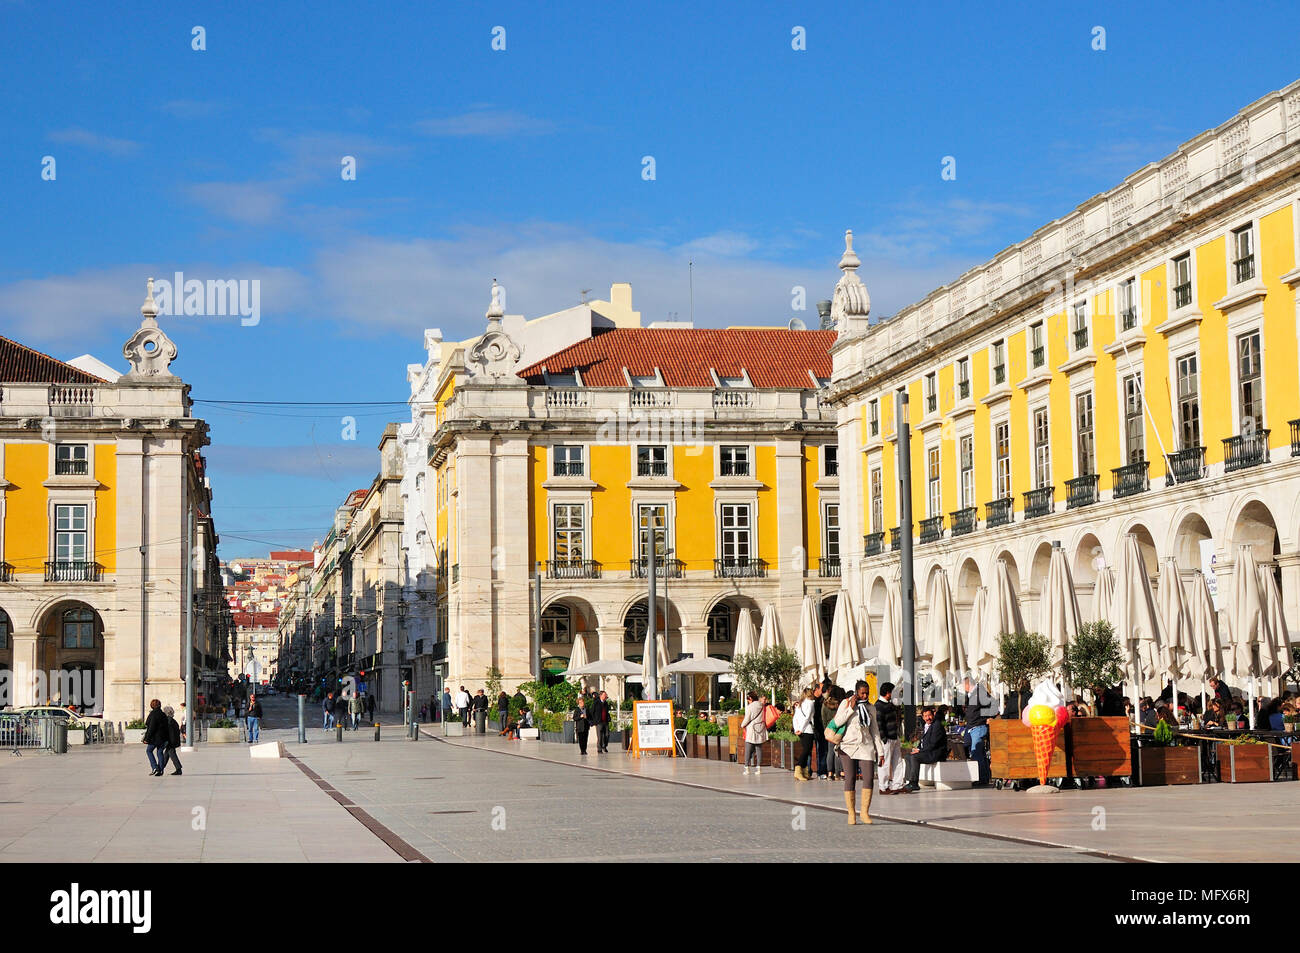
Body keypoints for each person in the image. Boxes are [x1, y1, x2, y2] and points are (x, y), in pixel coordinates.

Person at [833, 680, 884, 824]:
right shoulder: (846, 703)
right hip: (847, 746)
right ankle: (851, 813)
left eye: (867, 693)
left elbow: (875, 731)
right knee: (850, 778)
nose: (865, 695)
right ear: (856, 692)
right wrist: (850, 708)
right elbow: (837, 722)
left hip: (866, 746)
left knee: (868, 778)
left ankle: (864, 812)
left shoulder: (871, 708)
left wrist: (880, 752)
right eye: (862, 693)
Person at [904, 706, 949, 792]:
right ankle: (909, 780)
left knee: (914, 757)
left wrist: (920, 751)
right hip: (928, 752)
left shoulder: (937, 725)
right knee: (908, 756)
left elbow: (933, 744)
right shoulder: (926, 725)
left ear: (933, 715)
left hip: (936, 753)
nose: (928, 718)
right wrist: (917, 748)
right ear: (923, 717)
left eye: (929, 715)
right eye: (925, 716)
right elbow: (924, 742)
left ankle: (914, 783)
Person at [875, 681, 906, 794]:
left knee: (898, 761)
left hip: (894, 737)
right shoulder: (878, 706)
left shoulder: (890, 704)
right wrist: (884, 739)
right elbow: (879, 725)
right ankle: (883, 787)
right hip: (886, 739)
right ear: (888, 693)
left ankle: (897, 785)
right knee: (885, 763)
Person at [740, 691, 768, 776]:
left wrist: (742, 725)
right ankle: (759, 768)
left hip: (752, 729)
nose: (748, 701)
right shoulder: (761, 705)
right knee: (759, 748)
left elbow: (747, 718)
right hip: (760, 728)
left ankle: (746, 768)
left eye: (748, 699)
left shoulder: (750, 707)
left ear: (750, 698)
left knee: (748, 748)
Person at [792, 688, 816, 781]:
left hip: (800, 730)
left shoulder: (800, 704)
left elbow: (795, 718)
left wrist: (796, 729)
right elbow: (808, 718)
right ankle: (798, 769)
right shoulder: (810, 703)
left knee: (806, 751)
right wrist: (801, 729)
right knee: (806, 751)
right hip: (808, 730)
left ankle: (804, 772)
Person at [823, 686, 846, 779]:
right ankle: (838, 773)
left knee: (830, 752)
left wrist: (827, 728)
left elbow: (823, 720)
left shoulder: (824, 705)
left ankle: (829, 773)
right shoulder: (839, 705)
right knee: (838, 751)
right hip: (839, 730)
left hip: (829, 729)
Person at [143, 699, 170, 777]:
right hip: (163, 738)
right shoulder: (163, 714)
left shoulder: (153, 714)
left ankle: (155, 767)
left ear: (152, 705)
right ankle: (161, 770)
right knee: (159, 752)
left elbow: (151, 727)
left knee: (149, 751)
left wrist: (146, 739)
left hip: (155, 738)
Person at [811, 680, 829, 780]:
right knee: (821, 750)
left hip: (821, 729)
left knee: (823, 750)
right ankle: (821, 771)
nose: (824, 691)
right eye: (822, 689)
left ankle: (822, 770)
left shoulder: (821, 700)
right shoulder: (814, 701)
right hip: (818, 729)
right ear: (817, 689)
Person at [163, 706, 183, 776]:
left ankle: (178, 769)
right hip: (172, 741)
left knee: (172, 754)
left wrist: (168, 741)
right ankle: (161, 767)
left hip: (171, 741)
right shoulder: (172, 720)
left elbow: (170, 733)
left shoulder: (168, 721)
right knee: (167, 754)